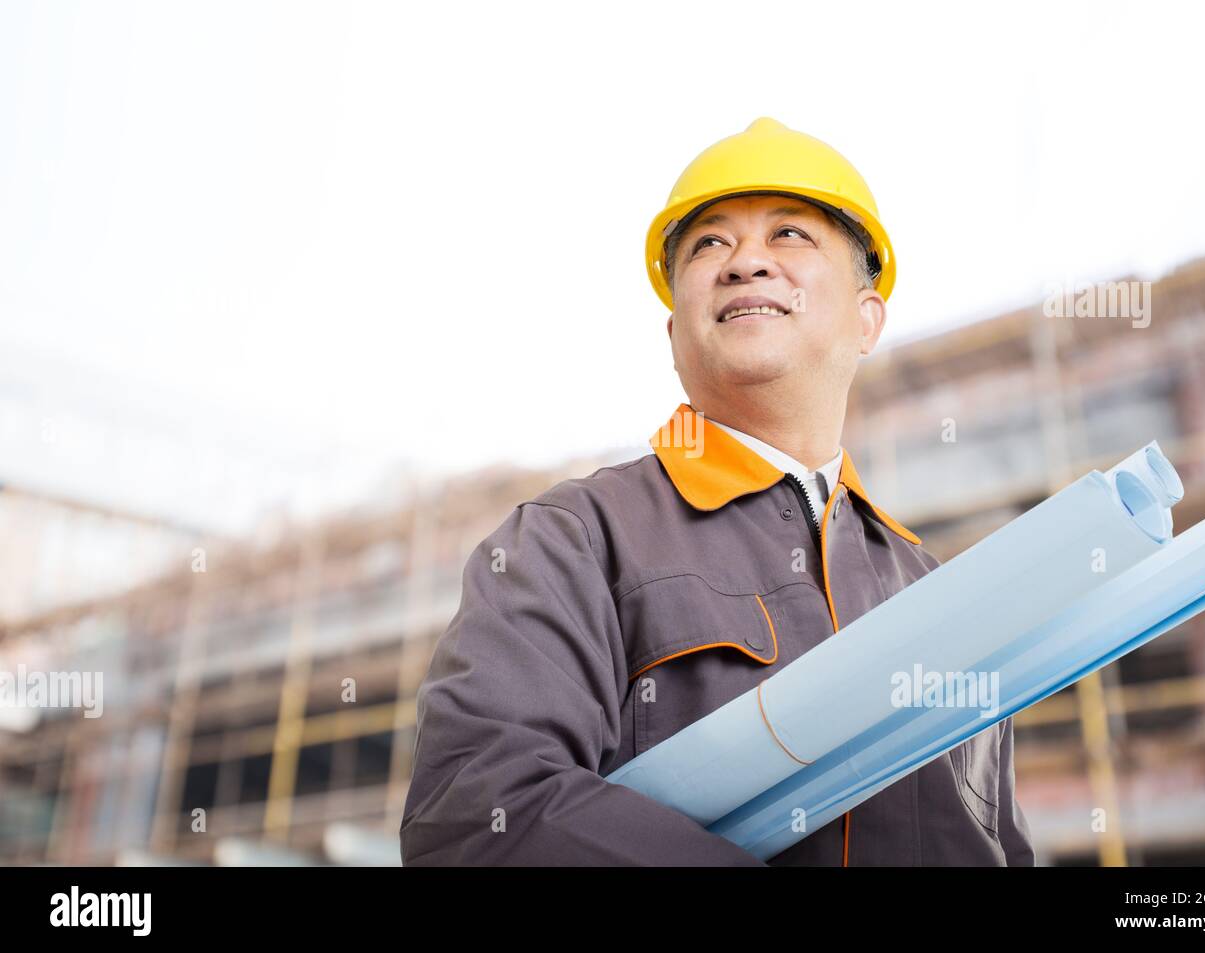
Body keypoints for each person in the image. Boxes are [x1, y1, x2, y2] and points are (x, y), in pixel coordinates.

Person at [401, 117, 1034, 866]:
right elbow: (477, 816)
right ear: (675, 336)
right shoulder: (573, 539)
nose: (744, 264)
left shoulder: (940, 596)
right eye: (709, 244)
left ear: (868, 320)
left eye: (792, 235)